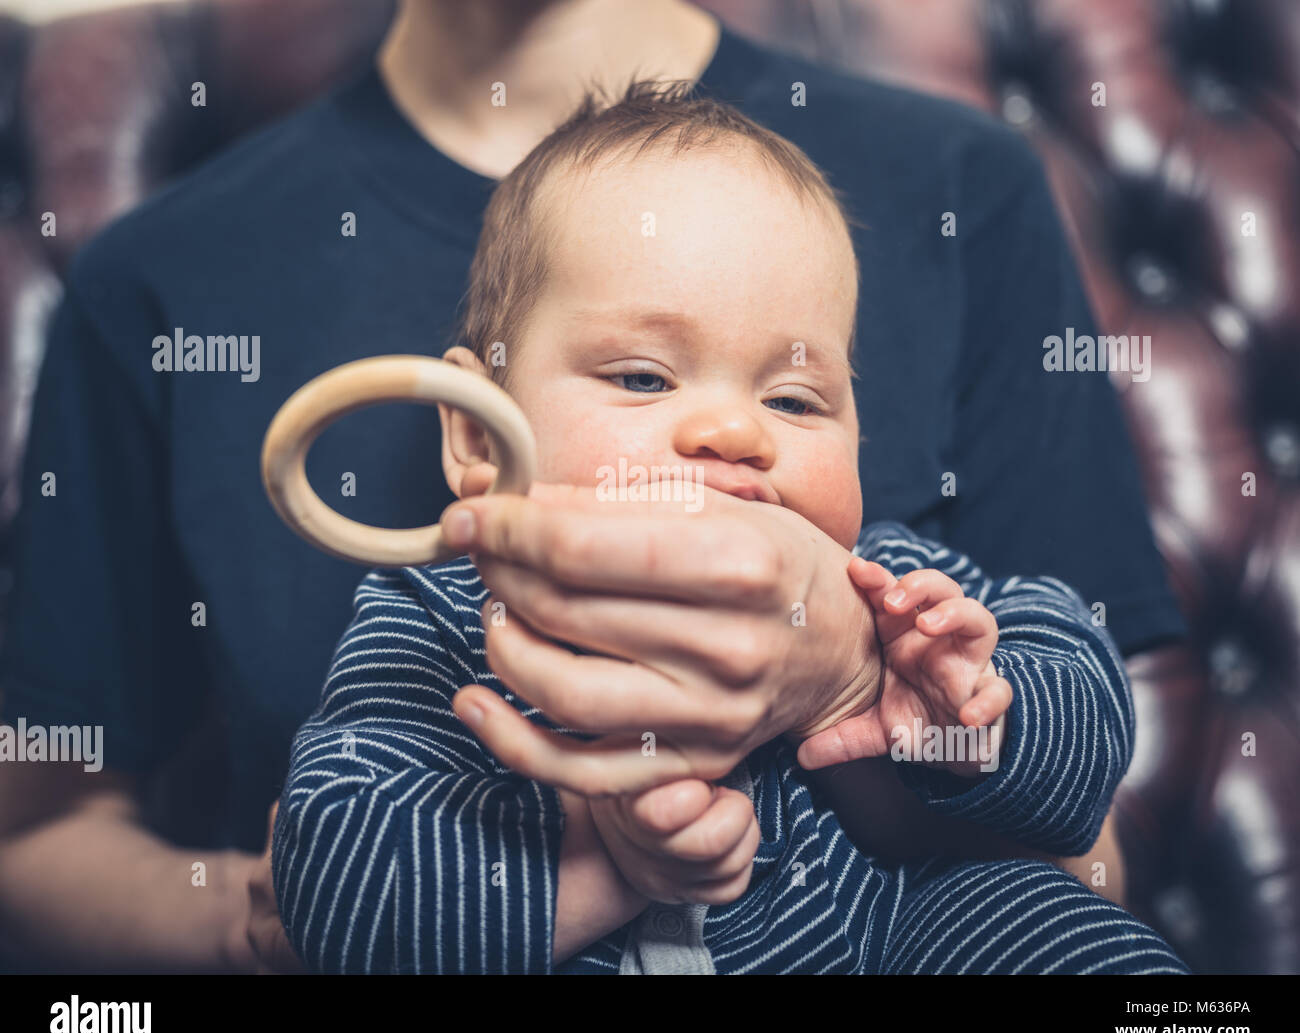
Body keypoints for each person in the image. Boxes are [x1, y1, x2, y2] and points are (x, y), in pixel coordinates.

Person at [0, 0, 1182, 972]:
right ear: (474, 438)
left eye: (798, 400)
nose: (732, 429)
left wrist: (903, 691)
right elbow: (305, 867)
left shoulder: (900, 569)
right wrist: (592, 866)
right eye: (637, 374)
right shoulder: (427, 631)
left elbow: (1088, 808)